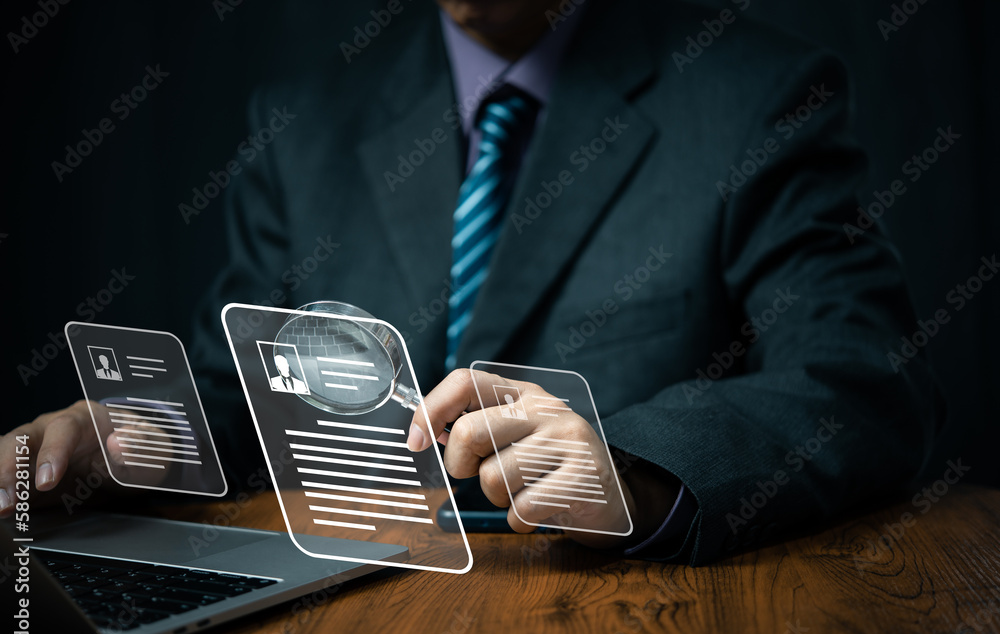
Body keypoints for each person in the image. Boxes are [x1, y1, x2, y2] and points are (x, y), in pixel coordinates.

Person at [0, 0, 941, 564]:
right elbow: (239, 390)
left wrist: (640, 473)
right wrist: (143, 433)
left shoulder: (757, 95)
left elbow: (861, 385)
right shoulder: (304, 124)